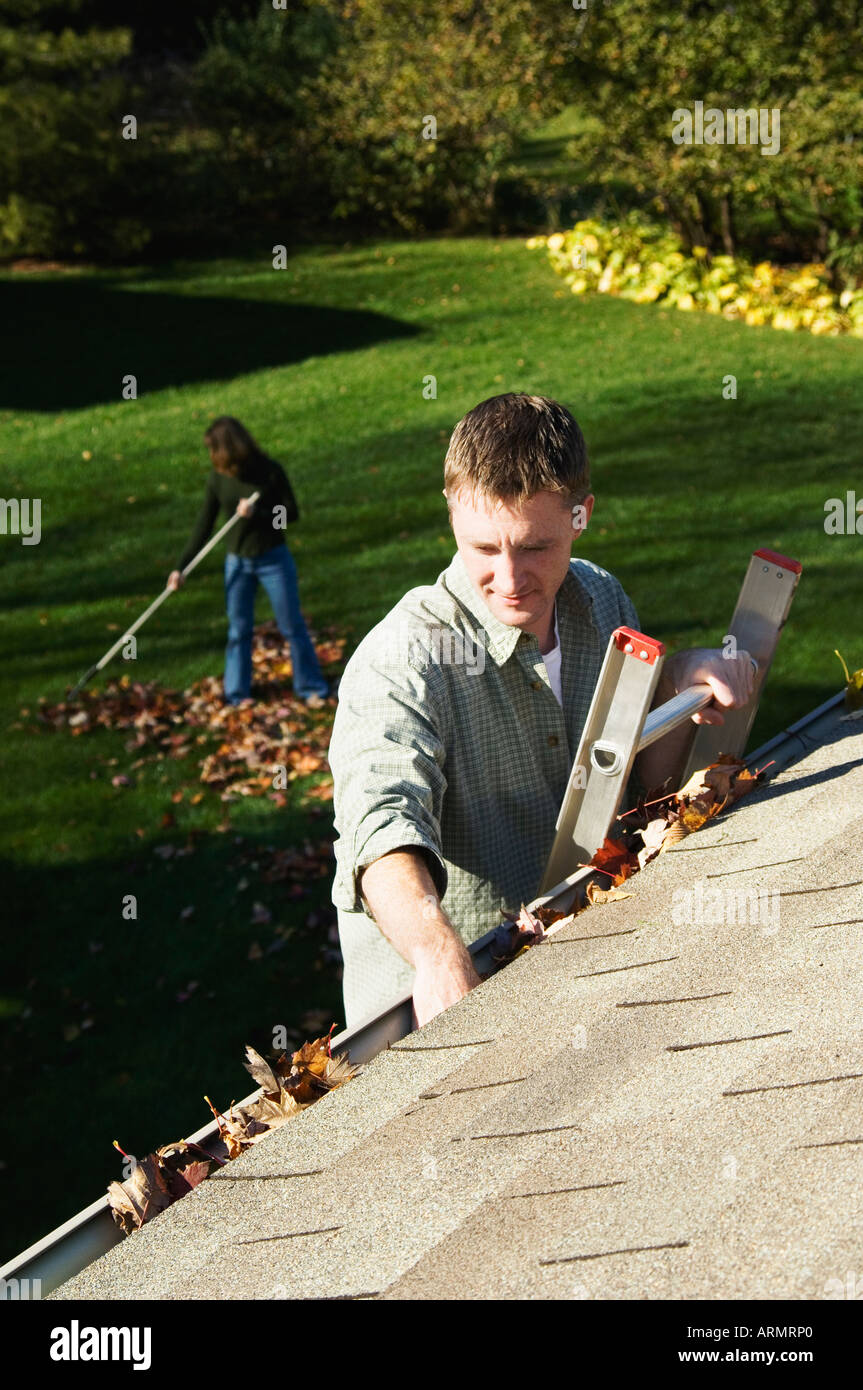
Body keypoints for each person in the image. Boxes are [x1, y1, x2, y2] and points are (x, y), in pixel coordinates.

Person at [327, 393, 754, 1030]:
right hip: (434, 1015)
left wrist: (677, 686)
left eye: (534, 547)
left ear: (582, 515)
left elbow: (644, 785)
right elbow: (382, 828)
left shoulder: (600, 600)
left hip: (571, 969)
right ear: (452, 518)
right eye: (482, 550)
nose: (510, 578)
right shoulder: (404, 659)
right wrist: (439, 956)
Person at [168, 416, 329, 707]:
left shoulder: (269, 473)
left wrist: (261, 513)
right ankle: (237, 694)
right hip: (237, 563)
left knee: (292, 625)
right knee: (238, 630)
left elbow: (290, 514)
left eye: (214, 449)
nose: (212, 456)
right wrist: (181, 568)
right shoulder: (219, 478)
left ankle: (311, 687)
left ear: (230, 448)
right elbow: (203, 525)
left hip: (273, 560)